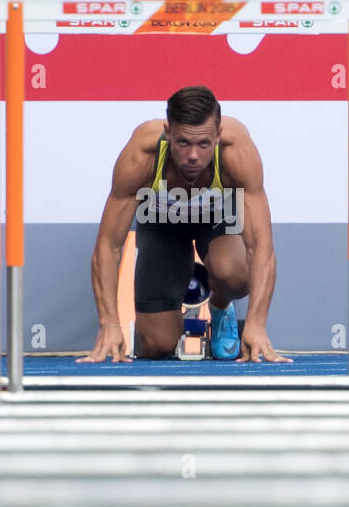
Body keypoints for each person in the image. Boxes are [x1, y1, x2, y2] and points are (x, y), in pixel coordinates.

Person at [80, 85, 289, 362]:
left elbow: (261, 246)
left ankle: (220, 305)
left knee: (237, 274)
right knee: (156, 345)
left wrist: (257, 323)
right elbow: (108, 247)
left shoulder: (236, 151)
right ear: (168, 132)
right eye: (183, 143)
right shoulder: (142, 154)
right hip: (161, 223)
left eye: (203, 144)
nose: (193, 155)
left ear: (218, 136)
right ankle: (172, 293)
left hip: (215, 219)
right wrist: (109, 324)